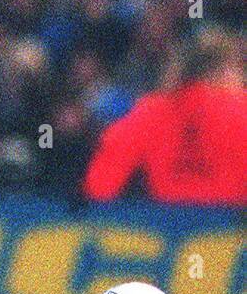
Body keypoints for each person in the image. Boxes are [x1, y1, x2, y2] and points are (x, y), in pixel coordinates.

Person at [83, 27, 246, 206]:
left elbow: (98, 186)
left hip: (165, 226)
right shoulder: (241, 110)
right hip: (231, 229)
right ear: (224, 71)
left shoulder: (150, 111)